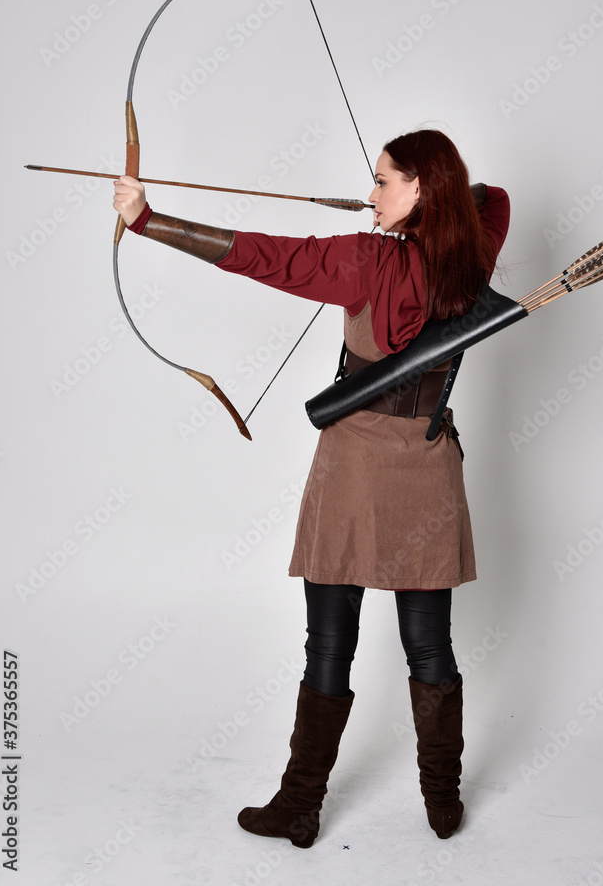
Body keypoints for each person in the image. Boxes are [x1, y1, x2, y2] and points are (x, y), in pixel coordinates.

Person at [112, 128, 510, 847]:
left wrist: (147, 219)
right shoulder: (473, 256)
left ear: (419, 187)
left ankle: (301, 807)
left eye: (384, 181)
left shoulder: (360, 260)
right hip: (427, 468)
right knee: (431, 647)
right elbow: (495, 200)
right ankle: (442, 804)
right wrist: (435, 211)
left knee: (328, 645)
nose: (370, 194)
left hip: (355, 471)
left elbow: (262, 257)